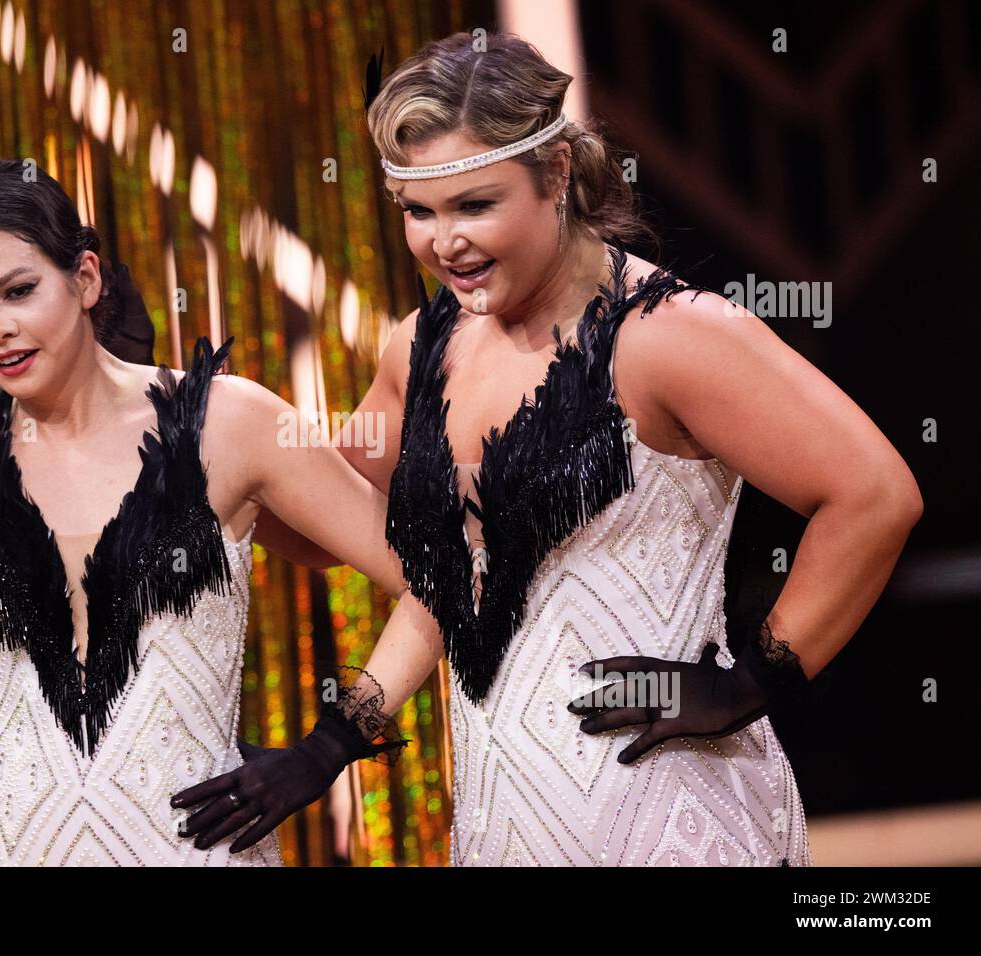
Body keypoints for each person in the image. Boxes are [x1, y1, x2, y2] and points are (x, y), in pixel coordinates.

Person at [187, 32, 923, 866]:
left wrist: (751, 683)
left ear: (559, 173)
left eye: (474, 205)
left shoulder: (670, 336)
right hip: (505, 819)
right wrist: (191, 429)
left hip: (677, 813)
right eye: (417, 212)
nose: (443, 242)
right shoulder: (420, 349)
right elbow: (326, 533)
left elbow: (874, 494)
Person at [0, 160, 444, 866]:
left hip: (192, 844)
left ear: (86, 278)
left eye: (19, 290)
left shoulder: (226, 420)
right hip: (6, 842)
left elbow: (441, 579)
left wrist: (328, 747)